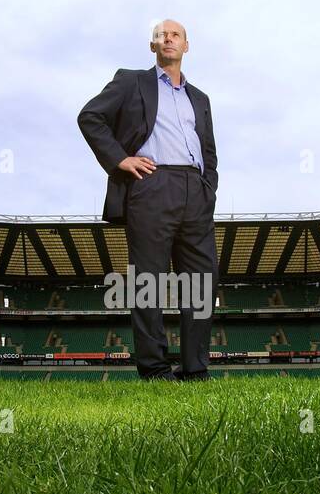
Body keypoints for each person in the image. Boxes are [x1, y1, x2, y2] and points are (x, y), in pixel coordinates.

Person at [77, 19, 219, 381]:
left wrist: (208, 188)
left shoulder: (199, 99)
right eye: (160, 35)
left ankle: (195, 370)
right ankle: (155, 369)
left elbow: (209, 150)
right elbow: (90, 116)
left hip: (195, 191)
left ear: (187, 46)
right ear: (152, 46)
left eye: (175, 35)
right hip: (151, 184)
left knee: (202, 283)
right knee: (149, 283)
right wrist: (119, 159)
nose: (167, 38)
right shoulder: (131, 80)